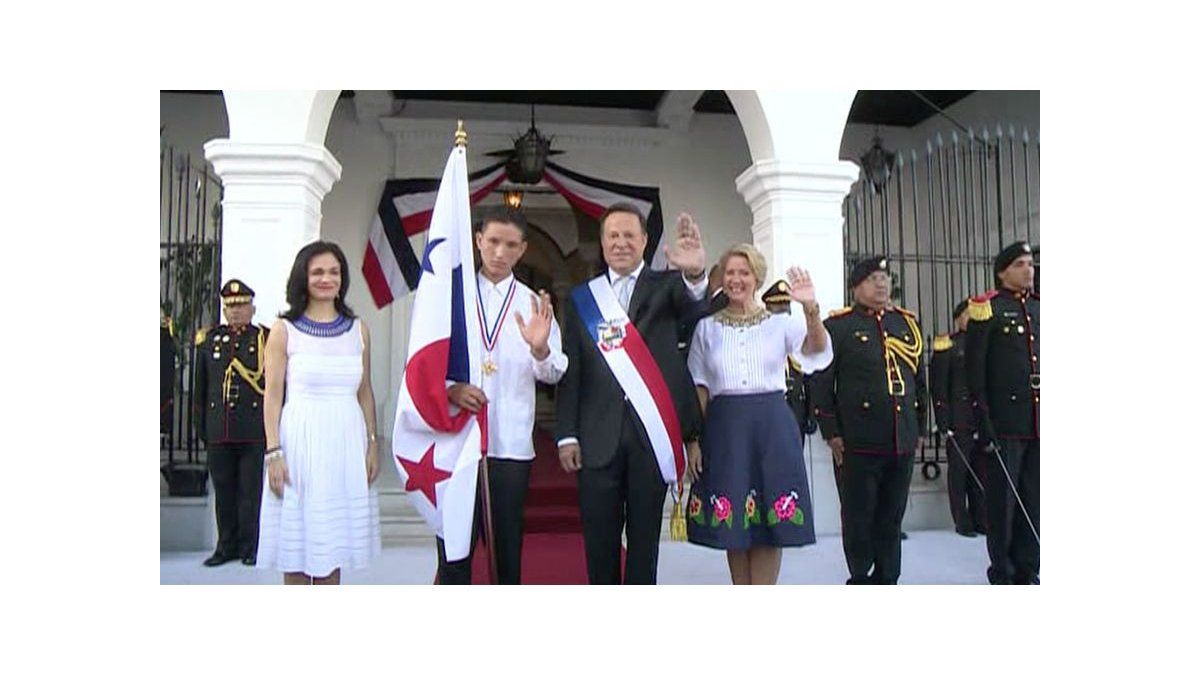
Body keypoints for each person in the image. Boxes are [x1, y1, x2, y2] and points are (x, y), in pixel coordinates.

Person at [556, 203, 709, 584]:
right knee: (599, 543)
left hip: (650, 437)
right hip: (596, 438)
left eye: (629, 235)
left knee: (644, 545)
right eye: (613, 235)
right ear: (602, 242)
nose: (621, 243)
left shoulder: (669, 287)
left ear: (644, 241)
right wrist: (567, 435)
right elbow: (572, 371)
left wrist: (694, 273)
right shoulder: (582, 299)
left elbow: (696, 308)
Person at [434, 209, 568, 584]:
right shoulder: (452, 299)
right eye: (492, 241)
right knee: (454, 546)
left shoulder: (532, 304)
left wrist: (540, 348)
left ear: (522, 249)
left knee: (507, 547)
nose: (499, 252)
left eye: (510, 245)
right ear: (478, 241)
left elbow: (554, 371)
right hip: (457, 440)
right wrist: (451, 389)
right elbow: (425, 364)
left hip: (510, 442)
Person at [684, 246, 832, 584]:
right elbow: (700, 387)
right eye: (730, 272)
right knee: (734, 521)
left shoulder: (780, 324)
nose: (736, 279)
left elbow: (816, 350)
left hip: (771, 429)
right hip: (724, 430)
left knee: (768, 521)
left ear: (757, 278)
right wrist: (693, 440)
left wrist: (810, 310)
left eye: (744, 272)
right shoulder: (706, 328)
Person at [257, 241, 382, 585]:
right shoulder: (284, 330)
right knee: (298, 551)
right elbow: (272, 396)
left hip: (345, 446)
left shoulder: (358, 330)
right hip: (300, 446)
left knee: (333, 548)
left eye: (334, 272)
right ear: (303, 277)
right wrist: (273, 453)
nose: (326, 279)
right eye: (317, 272)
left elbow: (365, 391)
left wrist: (373, 444)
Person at [810, 256, 928, 584]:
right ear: (856, 287)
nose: (881, 284)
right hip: (858, 439)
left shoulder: (905, 324)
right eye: (873, 278)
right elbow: (822, 382)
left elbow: (919, 380)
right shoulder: (839, 327)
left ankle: (888, 576)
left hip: (900, 436)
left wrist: (919, 426)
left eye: (884, 278)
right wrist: (831, 431)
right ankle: (861, 574)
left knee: (892, 514)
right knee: (858, 515)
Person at [966, 241, 1039, 584]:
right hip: (1005, 422)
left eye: (1031, 263)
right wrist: (983, 420)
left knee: (1034, 499)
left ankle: (1028, 566)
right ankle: (1003, 570)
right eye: (1020, 264)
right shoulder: (987, 309)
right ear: (1002, 272)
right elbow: (975, 371)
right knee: (1003, 503)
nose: (1029, 270)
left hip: (1037, 420)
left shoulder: (1040, 308)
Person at [192, 280, 268, 567]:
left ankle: (249, 547)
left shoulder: (263, 339)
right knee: (223, 491)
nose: (235, 312)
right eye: (230, 307)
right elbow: (201, 388)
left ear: (252, 308)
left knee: (250, 492)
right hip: (219, 429)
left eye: (241, 305)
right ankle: (225, 546)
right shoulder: (210, 340)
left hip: (251, 430)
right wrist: (203, 428)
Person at [931, 299, 988, 537]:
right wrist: (943, 421)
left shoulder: (984, 342)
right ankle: (961, 520)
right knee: (959, 474)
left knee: (981, 472)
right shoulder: (948, 344)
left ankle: (980, 519)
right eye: (967, 315)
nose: (971, 319)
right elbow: (939, 386)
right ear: (958, 319)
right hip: (959, 419)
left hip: (981, 419)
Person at [762, 279, 817, 435]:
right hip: (769, 415)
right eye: (778, 309)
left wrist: (811, 414)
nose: (784, 312)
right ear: (767, 310)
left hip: (796, 412)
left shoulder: (797, 341)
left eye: (786, 307)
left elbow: (810, 379)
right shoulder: (759, 341)